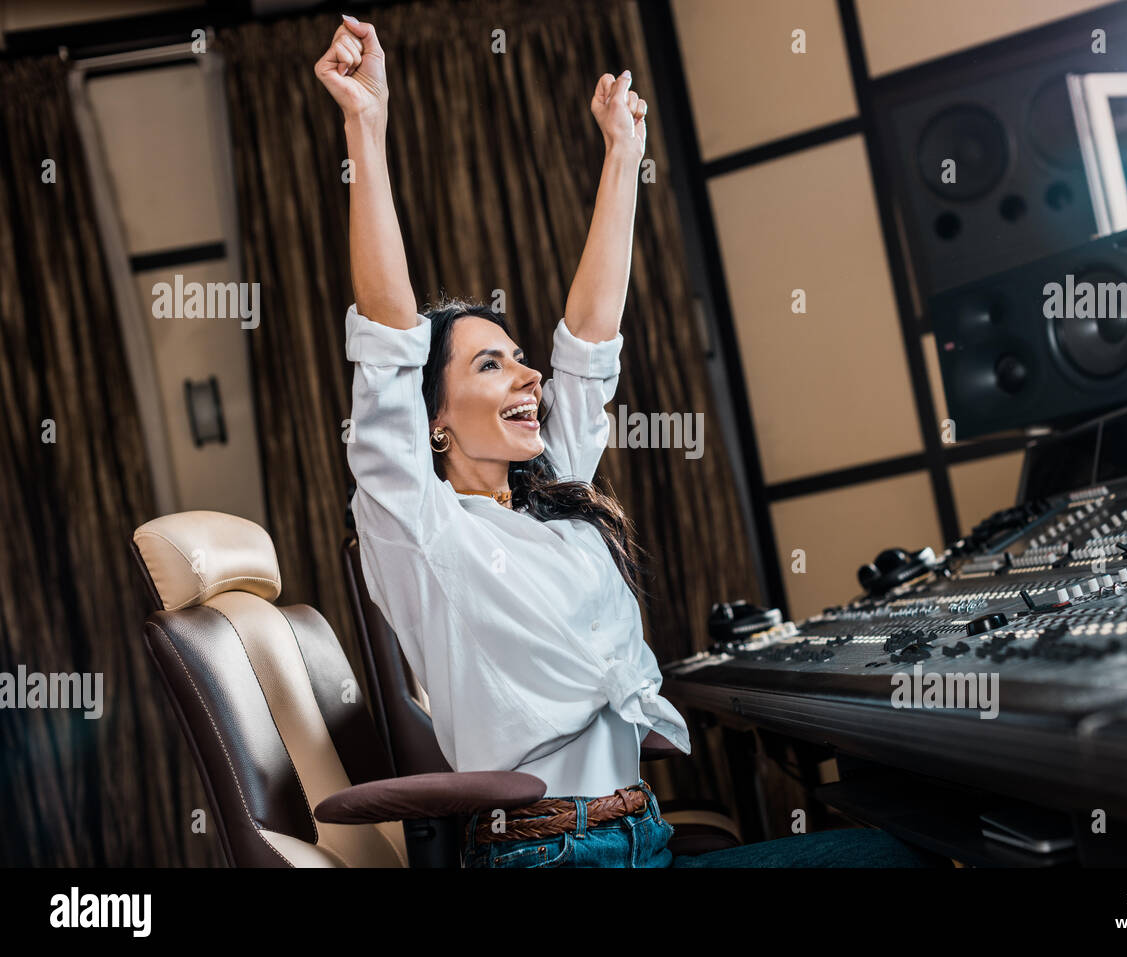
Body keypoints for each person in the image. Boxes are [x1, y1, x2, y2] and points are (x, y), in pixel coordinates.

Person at [316, 14, 950, 868]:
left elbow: (588, 344)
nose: (530, 376)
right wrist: (367, 123)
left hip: (640, 835)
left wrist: (624, 153)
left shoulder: (549, 498)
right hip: (552, 858)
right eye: (491, 365)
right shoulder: (416, 527)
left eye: (521, 359)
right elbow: (390, 336)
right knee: (894, 861)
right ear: (429, 417)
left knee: (896, 850)